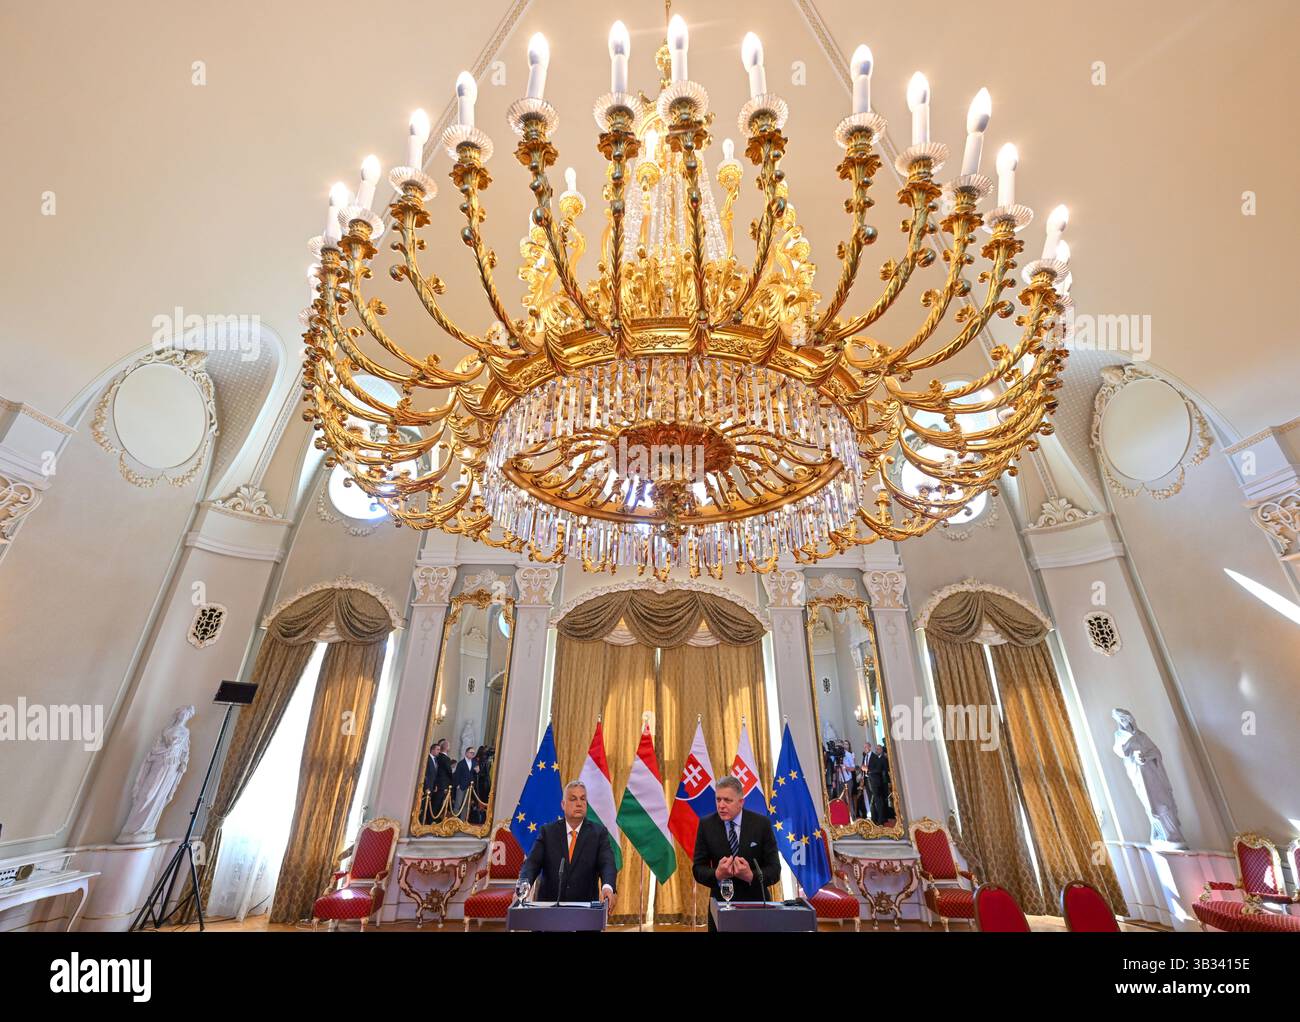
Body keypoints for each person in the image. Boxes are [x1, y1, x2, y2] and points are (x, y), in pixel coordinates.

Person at [691, 775, 781, 931]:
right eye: (718, 800)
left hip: (756, 906)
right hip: (721, 907)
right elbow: (698, 869)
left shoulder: (761, 824)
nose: (721, 806)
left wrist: (751, 876)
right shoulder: (706, 825)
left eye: (727, 800)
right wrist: (717, 874)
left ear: (741, 802)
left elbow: (774, 870)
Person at [519, 781, 618, 909]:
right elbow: (532, 864)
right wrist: (524, 886)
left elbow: (608, 863)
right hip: (550, 908)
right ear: (563, 804)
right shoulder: (547, 832)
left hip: (585, 909)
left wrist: (607, 887)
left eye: (583, 799)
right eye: (573, 799)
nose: (579, 803)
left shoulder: (598, 833)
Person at [420, 738, 454, 823]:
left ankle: (430, 820)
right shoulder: (429, 758)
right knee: (431, 805)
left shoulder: (436, 759)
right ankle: (426, 821)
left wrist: (434, 785)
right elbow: (425, 773)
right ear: (432, 750)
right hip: (429, 786)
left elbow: (435, 774)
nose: (439, 751)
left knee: (433, 805)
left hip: (434, 785)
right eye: (438, 749)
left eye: (439, 749)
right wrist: (427, 786)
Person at [865, 742, 890, 824]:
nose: (877, 750)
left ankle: (882, 818)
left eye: (879, 749)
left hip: (880, 782)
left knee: (880, 800)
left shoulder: (880, 758)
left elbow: (880, 770)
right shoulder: (868, 757)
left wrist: (867, 770)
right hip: (870, 781)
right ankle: (874, 818)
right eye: (876, 749)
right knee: (872, 801)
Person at [452, 745, 478, 818]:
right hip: (461, 786)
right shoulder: (461, 763)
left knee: (466, 805)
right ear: (466, 753)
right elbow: (457, 775)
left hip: (469, 787)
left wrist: (477, 771)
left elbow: (476, 774)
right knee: (458, 804)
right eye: (471, 752)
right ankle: (455, 821)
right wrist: (457, 785)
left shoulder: (475, 763)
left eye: (473, 753)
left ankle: (462, 822)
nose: (472, 754)